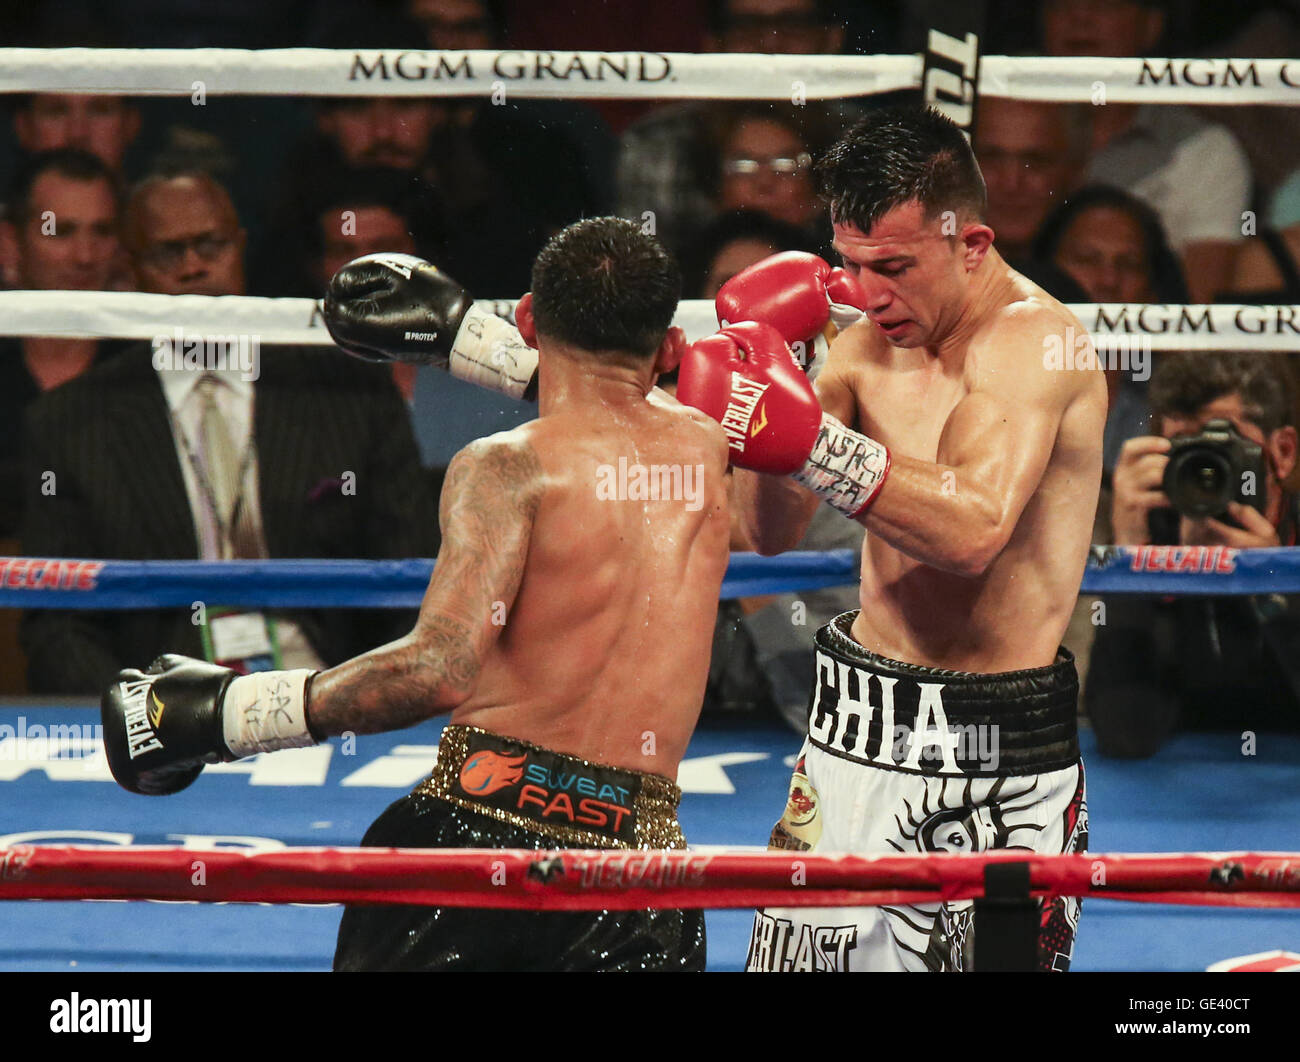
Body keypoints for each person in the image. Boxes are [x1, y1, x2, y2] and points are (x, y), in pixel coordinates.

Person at [99, 217, 733, 972]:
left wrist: (231, 716)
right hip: (640, 870)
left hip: (478, 831)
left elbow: (438, 669)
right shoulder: (710, 451)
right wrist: (470, 342)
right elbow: (664, 431)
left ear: (529, 320)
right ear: (672, 348)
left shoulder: (504, 466)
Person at [678, 106, 1106, 971]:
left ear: (972, 244)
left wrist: (807, 440)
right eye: (851, 264)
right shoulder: (861, 344)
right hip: (849, 732)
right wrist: (774, 376)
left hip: (992, 757)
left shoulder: (1037, 343)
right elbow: (768, 531)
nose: (868, 295)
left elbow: (974, 529)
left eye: (896, 267)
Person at [20, 170, 435, 693]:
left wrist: (372, 702)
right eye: (167, 253)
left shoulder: (349, 394)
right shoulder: (72, 422)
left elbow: (413, 581)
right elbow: (56, 622)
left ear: (240, 245)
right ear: (129, 270)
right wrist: (135, 715)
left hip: (329, 694)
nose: (193, 266)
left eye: (210, 245)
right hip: (165, 700)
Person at [1086, 351, 1300, 757]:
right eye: (1188, 449)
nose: (1209, 469)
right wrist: (1132, 562)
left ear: (1283, 452)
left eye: (1225, 446)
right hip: (1178, 786)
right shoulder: (1157, 539)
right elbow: (1125, 734)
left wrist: (1272, 581)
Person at [0, 149, 130, 538]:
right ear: (10, 242)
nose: (85, 256)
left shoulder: (146, 370)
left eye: (102, 232)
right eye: (61, 232)